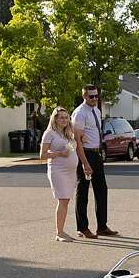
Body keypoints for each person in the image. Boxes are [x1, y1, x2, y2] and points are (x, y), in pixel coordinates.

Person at [72, 85, 118, 239]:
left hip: (97, 153)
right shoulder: (79, 113)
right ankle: (82, 228)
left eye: (96, 96)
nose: (94, 99)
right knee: (83, 191)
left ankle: (102, 226)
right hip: (84, 154)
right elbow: (77, 140)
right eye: (91, 96)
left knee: (102, 190)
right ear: (84, 96)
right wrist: (85, 163)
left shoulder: (97, 111)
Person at [41, 107, 79, 242]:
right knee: (62, 200)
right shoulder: (49, 133)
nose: (64, 119)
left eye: (66, 117)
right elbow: (42, 155)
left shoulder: (67, 133)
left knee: (66, 200)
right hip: (58, 170)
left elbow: (71, 149)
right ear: (55, 119)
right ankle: (59, 233)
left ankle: (62, 230)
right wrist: (59, 154)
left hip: (70, 172)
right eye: (61, 117)